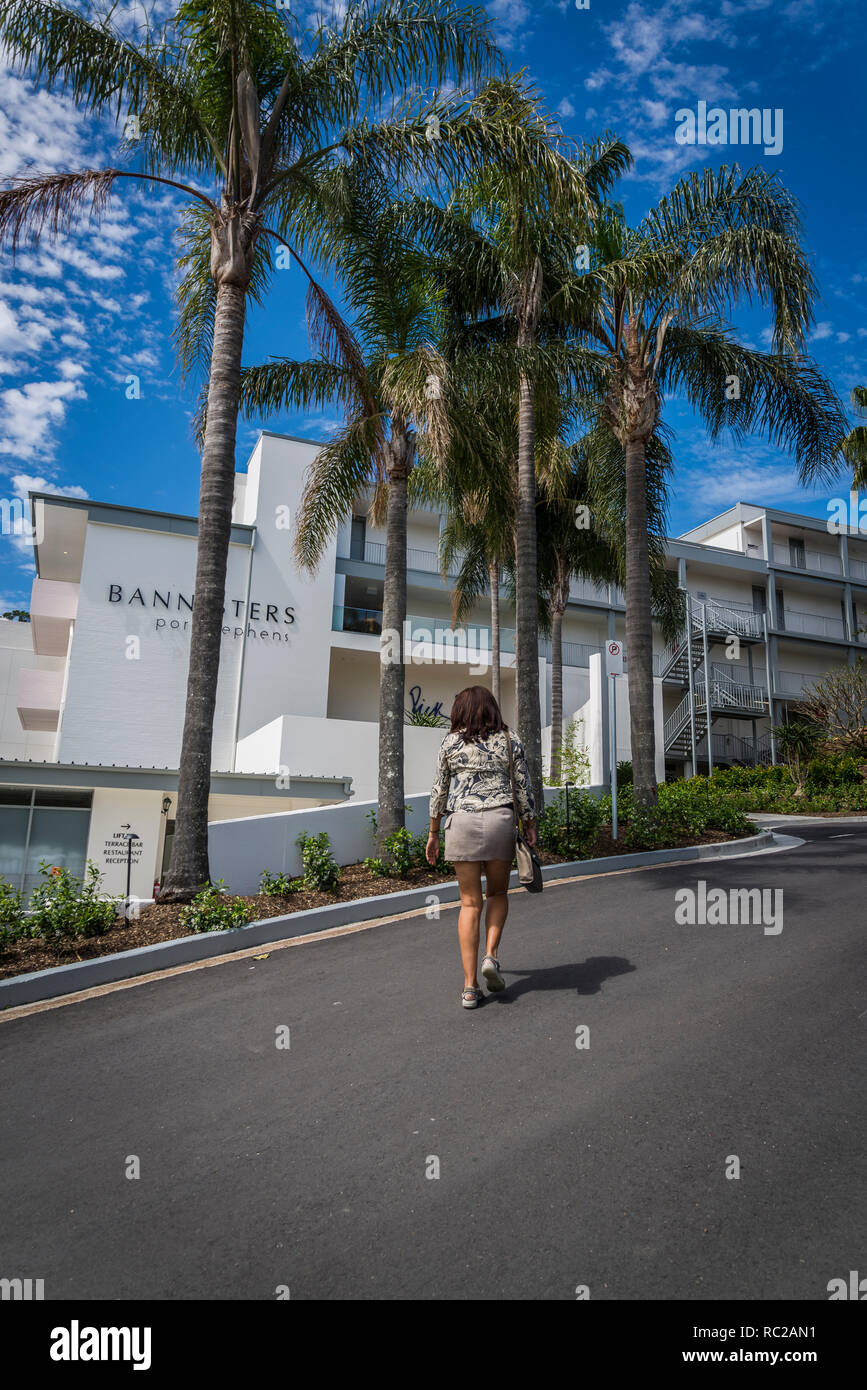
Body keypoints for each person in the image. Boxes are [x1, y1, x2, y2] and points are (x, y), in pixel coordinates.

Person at [426, 685, 537, 1009]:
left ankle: (470, 987)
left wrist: (433, 833)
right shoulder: (509, 739)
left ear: (459, 711)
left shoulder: (450, 742)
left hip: (461, 823)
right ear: (492, 709)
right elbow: (523, 786)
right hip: (500, 821)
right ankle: (491, 955)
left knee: (469, 903)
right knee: (498, 894)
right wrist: (529, 824)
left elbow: (438, 791)